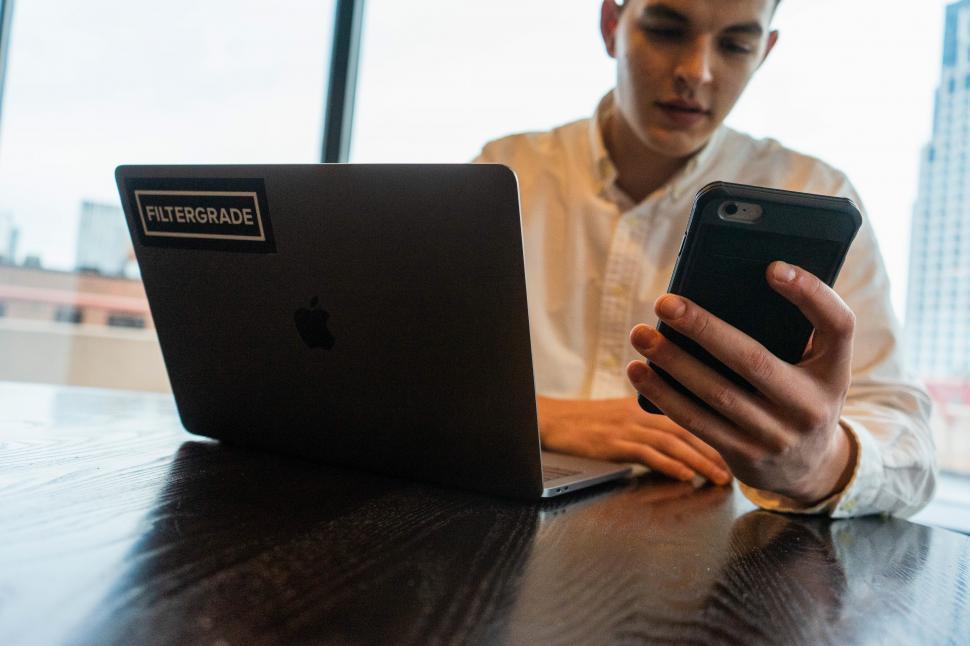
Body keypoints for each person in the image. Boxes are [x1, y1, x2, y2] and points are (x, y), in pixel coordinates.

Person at [474, 0, 935, 517]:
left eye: (735, 44)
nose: (697, 72)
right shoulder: (503, 172)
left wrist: (819, 464)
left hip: (719, 541)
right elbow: (416, 381)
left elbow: (910, 450)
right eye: (666, 30)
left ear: (764, 52)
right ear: (610, 25)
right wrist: (542, 417)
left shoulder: (817, 193)